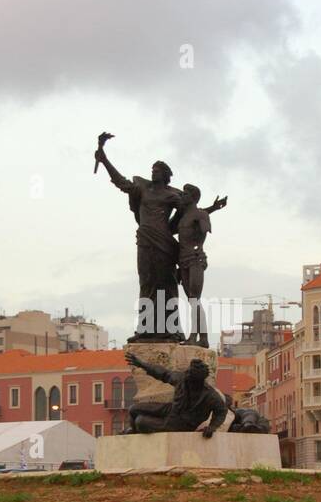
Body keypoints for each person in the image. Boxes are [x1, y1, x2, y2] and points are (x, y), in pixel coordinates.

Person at [95, 147, 184, 340]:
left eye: (157, 170)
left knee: (166, 285)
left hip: (163, 243)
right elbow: (121, 183)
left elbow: (188, 215)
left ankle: (171, 329)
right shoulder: (142, 189)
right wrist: (104, 160)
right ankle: (145, 329)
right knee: (146, 284)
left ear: (166, 175)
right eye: (152, 169)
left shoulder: (172, 195)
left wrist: (208, 211)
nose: (153, 172)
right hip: (145, 239)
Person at [124, 351, 228, 437]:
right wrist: (141, 364)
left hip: (182, 424)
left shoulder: (210, 395)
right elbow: (163, 373)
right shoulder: (182, 379)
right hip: (172, 410)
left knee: (140, 421)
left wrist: (212, 427)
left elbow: (222, 411)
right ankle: (133, 432)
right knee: (133, 409)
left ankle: (136, 431)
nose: (186, 376)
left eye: (189, 376)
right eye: (187, 373)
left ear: (198, 381)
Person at [175, 185, 228, 347]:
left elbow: (204, 228)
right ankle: (203, 339)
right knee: (192, 300)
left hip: (196, 259)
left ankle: (195, 336)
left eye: (185, 194)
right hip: (183, 260)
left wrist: (206, 216)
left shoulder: (200, 214)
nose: (182, 196)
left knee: (194, 299)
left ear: (193, 197)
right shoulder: (183, 217)